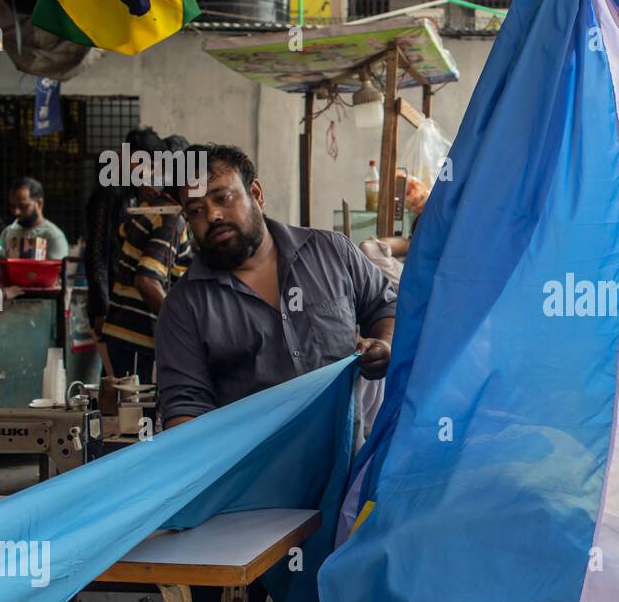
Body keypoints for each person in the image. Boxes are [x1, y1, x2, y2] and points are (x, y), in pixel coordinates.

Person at [155, 143, 397, 429]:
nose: (212, 216)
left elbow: (386, 305)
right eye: (196, 210)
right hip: (256, 471)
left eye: (223, 197)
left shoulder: (331, 252)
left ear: (256, 193)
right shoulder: (183, 307)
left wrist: (385, 343)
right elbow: (185, 407)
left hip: (349, 460)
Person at [98, 140, 193, 383]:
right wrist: (182, 327)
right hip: (139, 336)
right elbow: (147, 280)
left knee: (127, 414)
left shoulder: (148, 210)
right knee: (139, 415)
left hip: (123, 335)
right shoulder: (170, 219)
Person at [85, 127, 164, 338]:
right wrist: (100, 307)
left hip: (127, 299)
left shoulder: (135, 192)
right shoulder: (109, 193)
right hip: (110, 300)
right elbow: (96, 251)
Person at [0, 177, 69, 260]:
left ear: (39, 203)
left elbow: (59, 271)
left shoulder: (53, 236)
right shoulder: (7, 233)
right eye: (13, 206)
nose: (16, 212)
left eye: (23, 206)